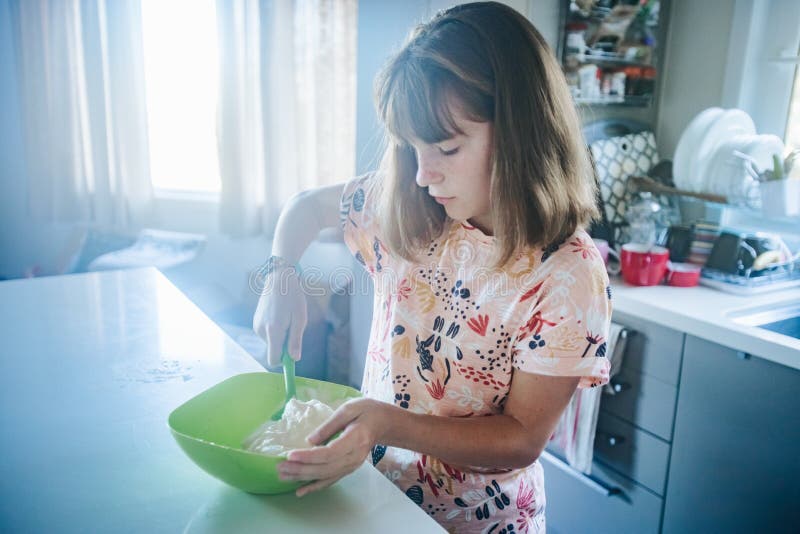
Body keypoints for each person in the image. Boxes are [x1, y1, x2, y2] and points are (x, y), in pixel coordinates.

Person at [252, 2, 611, 532]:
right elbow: (305, 205)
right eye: (412, 147)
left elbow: (520, 439)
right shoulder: (411, 205)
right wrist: (280, 274)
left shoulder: (567, 273)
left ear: (520, 133)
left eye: (445, 146)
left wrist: (385, 425)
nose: (423, 174)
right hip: (376, 501)